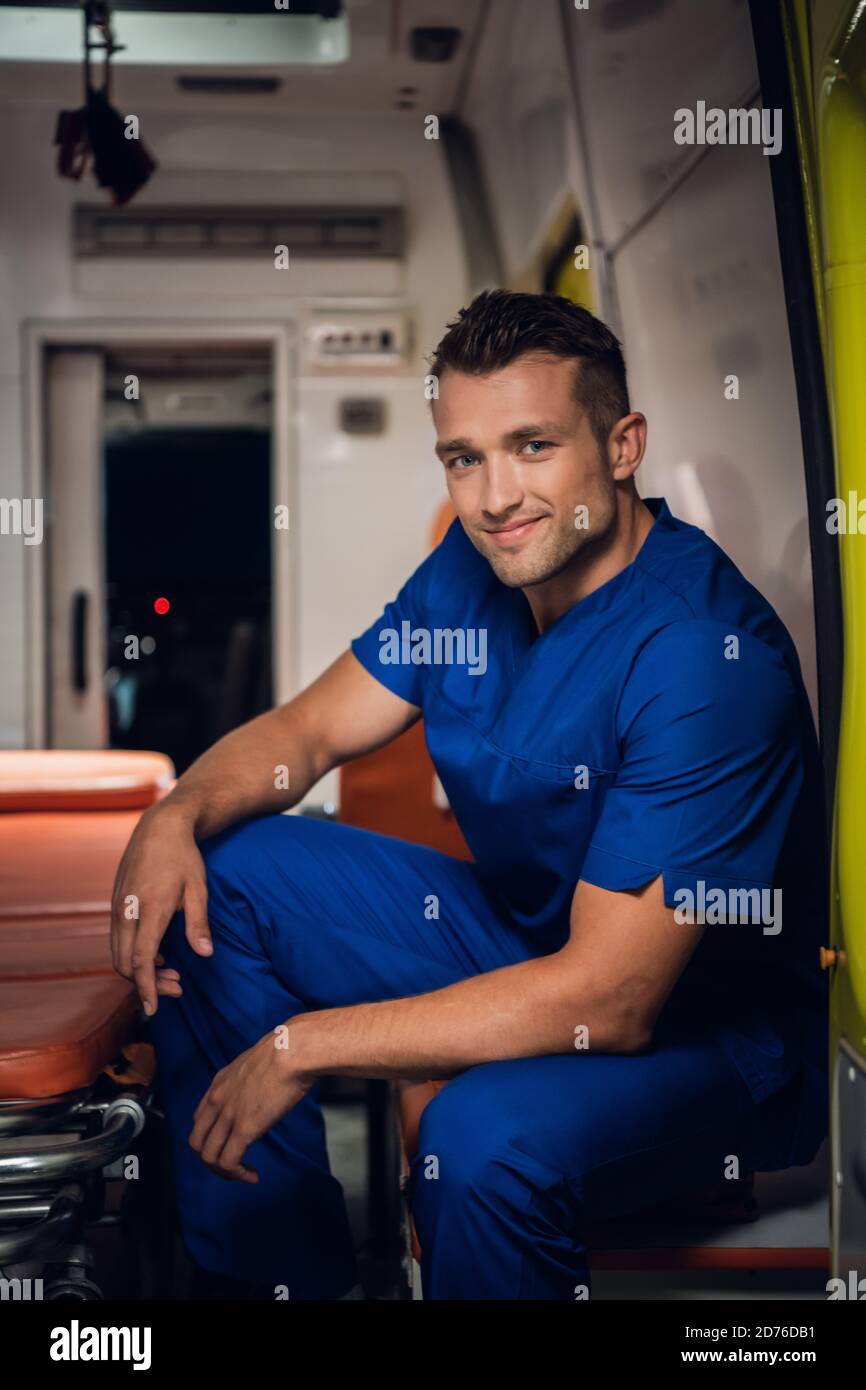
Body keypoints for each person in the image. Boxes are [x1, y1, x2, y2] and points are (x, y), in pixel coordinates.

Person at [111, 289, 828, 1301]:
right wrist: (172, 813)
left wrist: (301, 1045)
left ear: (621, 445)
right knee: (221, 875)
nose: (494, 495)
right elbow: (309, 730)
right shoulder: (472, 564)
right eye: (463, 457)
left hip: (702, 1035)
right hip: (535, 941)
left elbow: (611, 1000)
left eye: (531, 446)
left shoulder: (703, 658)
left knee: (478, 1139)